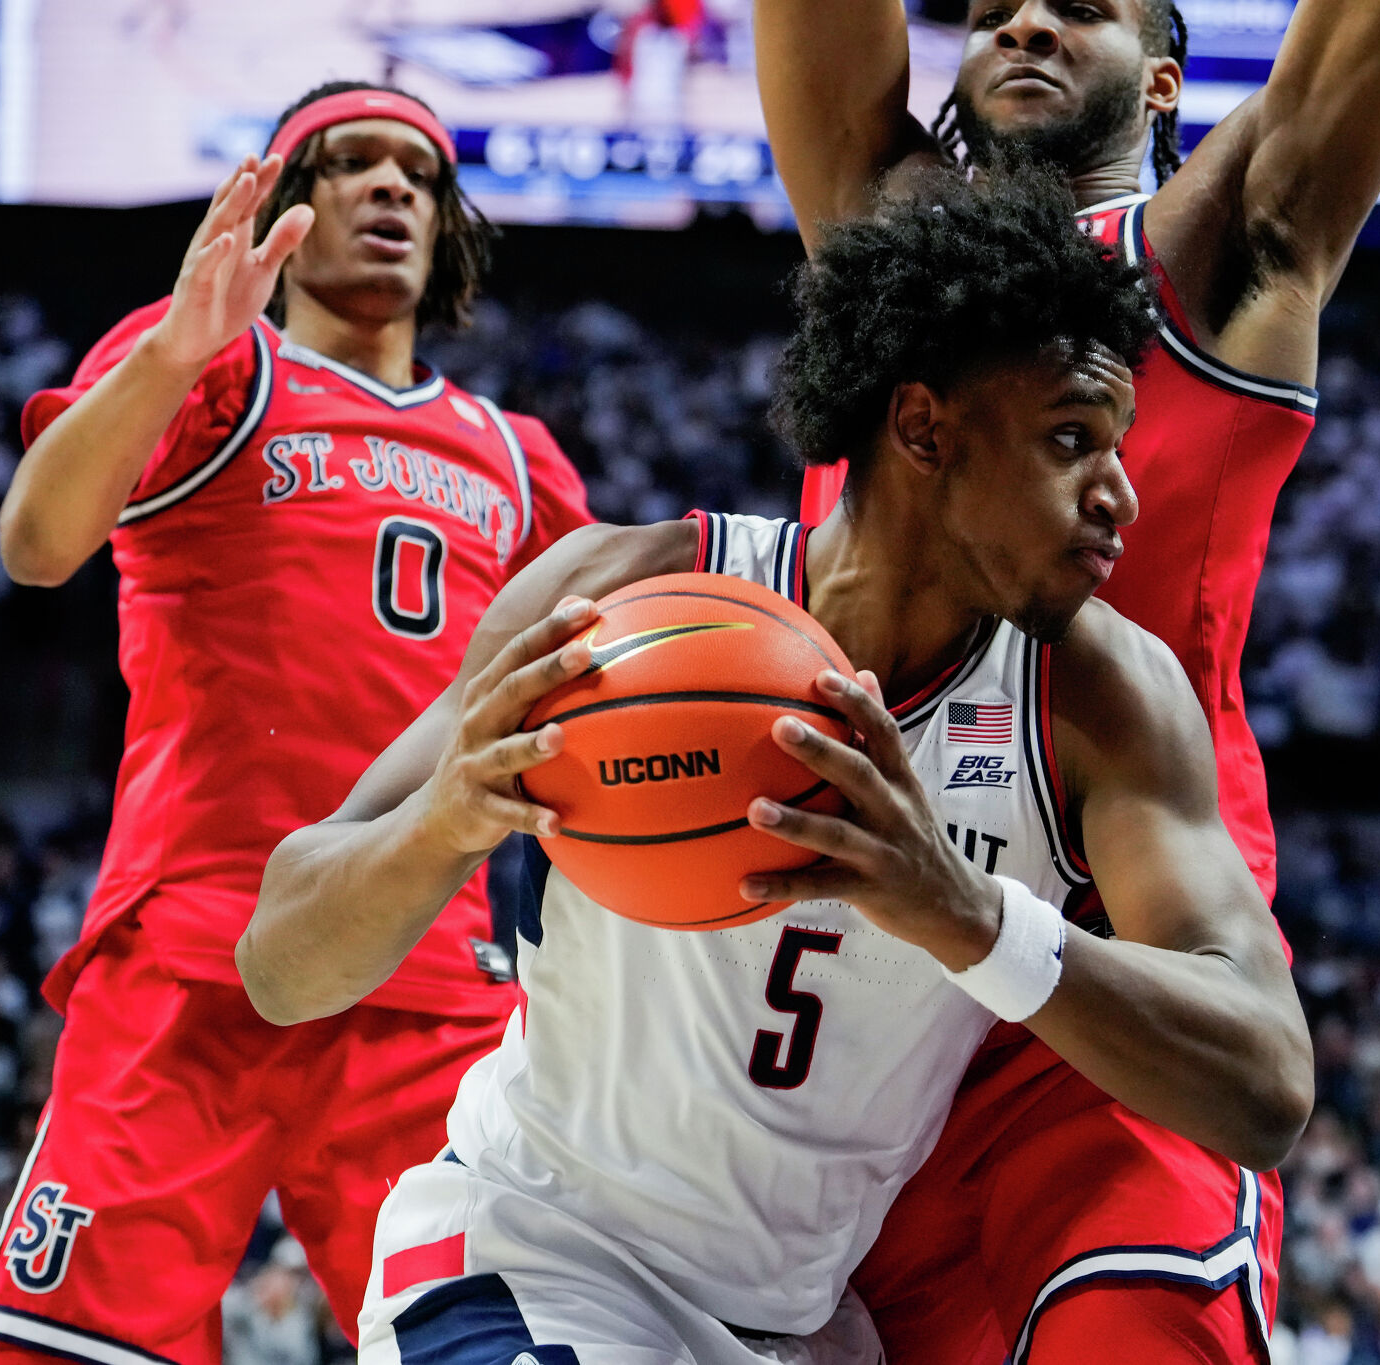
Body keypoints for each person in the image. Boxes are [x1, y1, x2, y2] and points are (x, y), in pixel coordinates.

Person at [239, 163, 1311, 1364]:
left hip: (802, 1331)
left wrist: (966, 916)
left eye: (1114, 444)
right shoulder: (620, 601)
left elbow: (1264, 1085)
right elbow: (280, 962)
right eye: (1071, 439)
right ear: (921, 429)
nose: (1118, 493)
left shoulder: (1099, 698)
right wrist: (440, 819)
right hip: (536, 1256)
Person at [753, 0, 1380, 1356]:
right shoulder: (888, 248)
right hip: (855, 974)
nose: (1022, 20)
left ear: (1163, 82)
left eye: (1080, 5)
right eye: (992, 6)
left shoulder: (1219, 240)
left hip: (1123, 926)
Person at [0, 81, 593, 1363]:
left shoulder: (520, 458)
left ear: (448, 223)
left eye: (417, 172)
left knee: (504, 1342)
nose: (388, 188)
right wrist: (175, 346)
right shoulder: (214, 367)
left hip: (432, 986)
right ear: (289, 210)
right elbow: (35, 543)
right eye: (350, 162)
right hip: (196, 953)